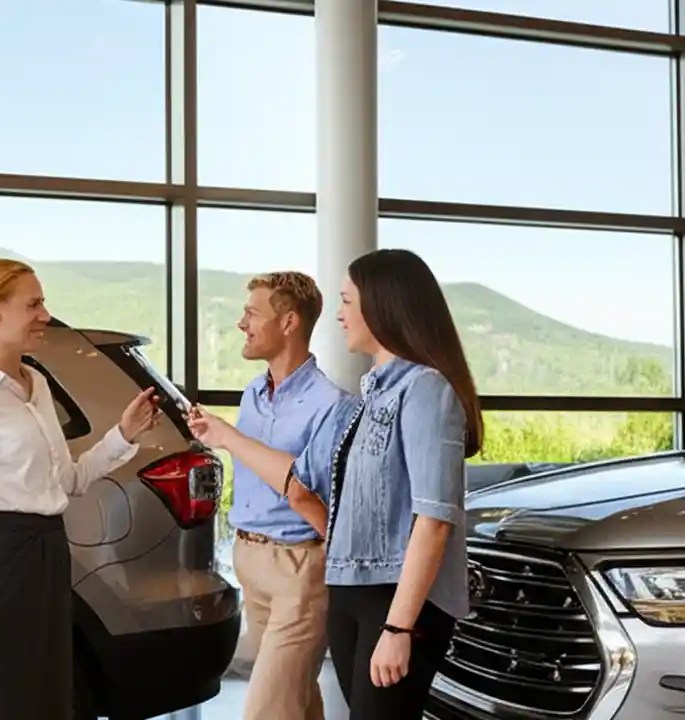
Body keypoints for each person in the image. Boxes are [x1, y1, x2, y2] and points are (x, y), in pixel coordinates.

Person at [189, 248, 483, 720]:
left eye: (348, 301)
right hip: (348, 589)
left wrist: (399, 629)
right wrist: (221, 437)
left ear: (384, 305)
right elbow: (301, 480)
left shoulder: (425, 389)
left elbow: (434, 521)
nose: (339, 314)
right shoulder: (370, 393)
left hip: (390, 599)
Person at [0, 257, 162, 720]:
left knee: (50, 702)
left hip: (48, 555)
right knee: (2, 703)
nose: (45, 315)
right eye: (33, 304)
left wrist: (123, 434)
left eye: (43, 303)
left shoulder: (35, 384)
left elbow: (67, 480)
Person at [227, 271, 347, 720]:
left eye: (252, 313)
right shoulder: (253, 393)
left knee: (267, 710)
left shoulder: (331, 404)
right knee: (296, 698)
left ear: (289, 322)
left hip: (300, 568)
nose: (242, 323)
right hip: (250, 560)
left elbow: (314, 496)